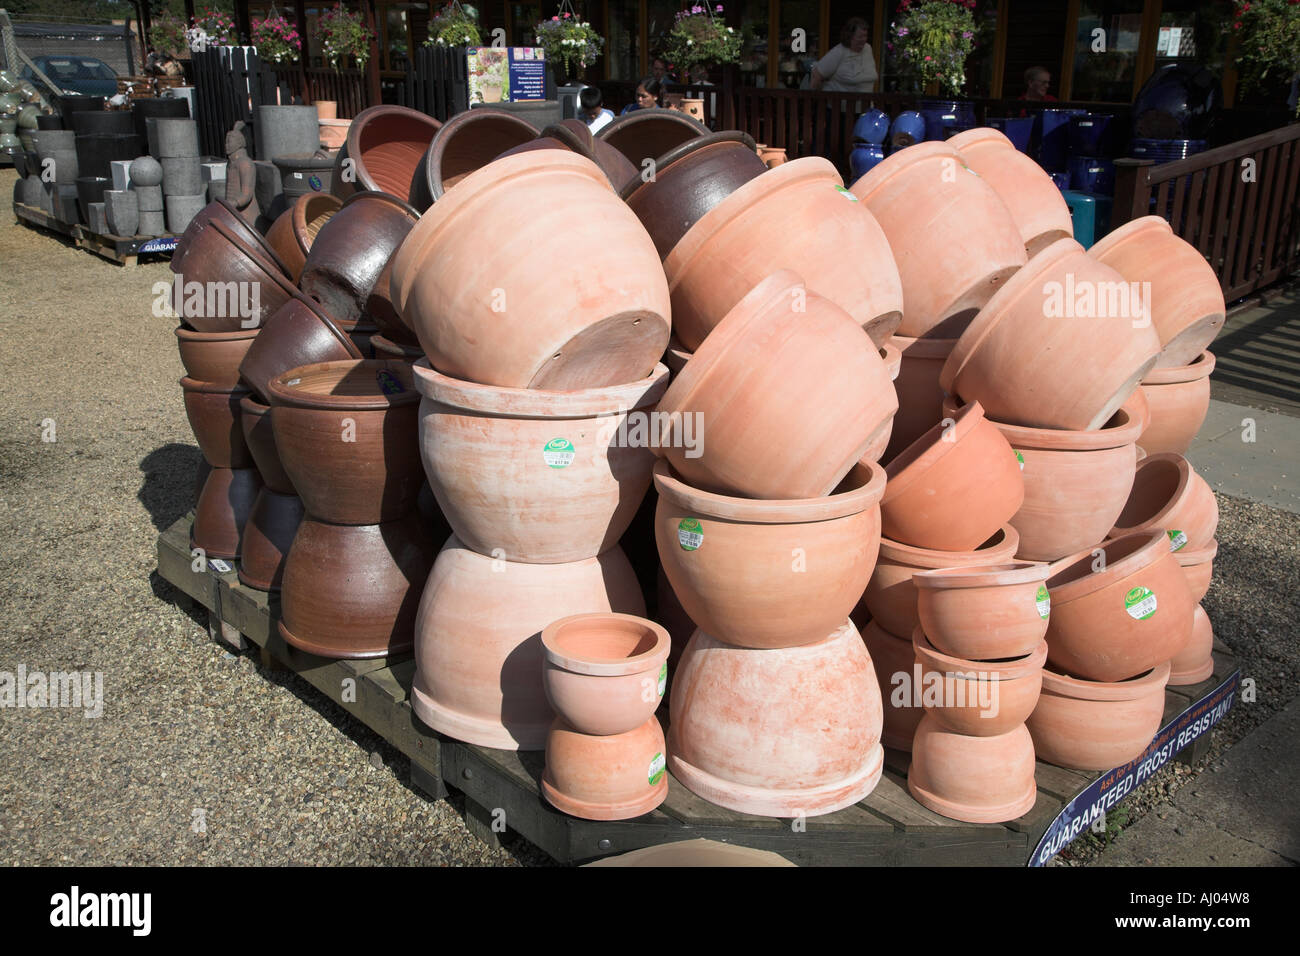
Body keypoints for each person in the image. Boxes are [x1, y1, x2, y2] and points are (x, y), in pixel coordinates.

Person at [810, 17, 878, 93]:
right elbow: (817, 75)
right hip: (839, 103)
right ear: (850, 36)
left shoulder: (868, 49)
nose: (864, 39)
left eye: (865, 36)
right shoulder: (839, 51)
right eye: (860, 37)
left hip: (866, 103)